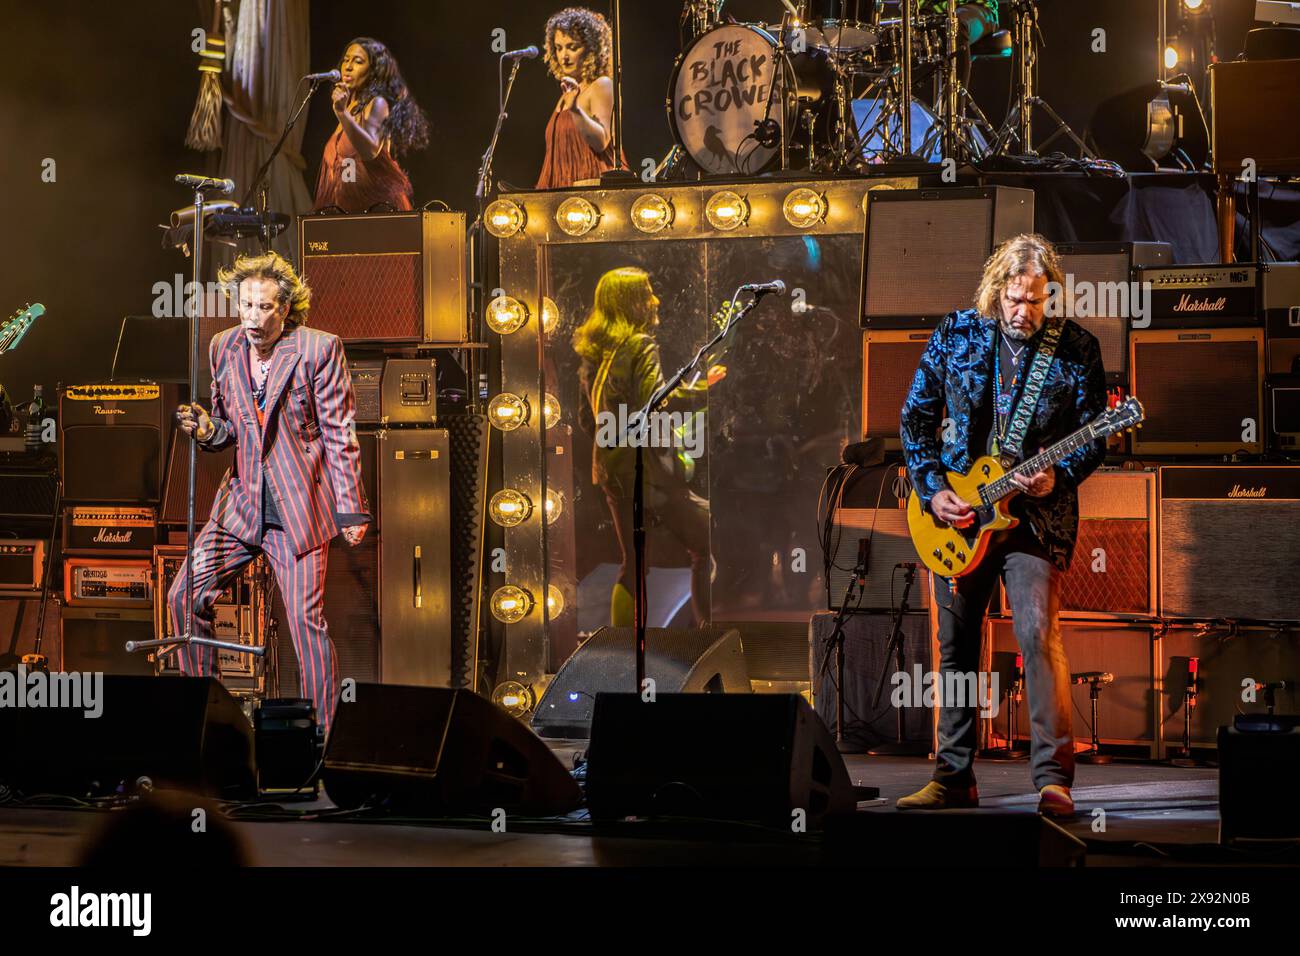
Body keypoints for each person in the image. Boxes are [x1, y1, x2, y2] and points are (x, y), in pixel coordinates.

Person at [896, 234, 1107, 818]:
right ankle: (952, 776)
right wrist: (933, 489)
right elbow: (915, 417)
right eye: (1015, 300)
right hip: (960, 515)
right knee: (956, 647)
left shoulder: (1077, 349)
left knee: (1039, 636)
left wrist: (1056, 475)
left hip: (1035, 519)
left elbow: (1097, 434)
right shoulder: (956, 333)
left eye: (1036, 302)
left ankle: (1052, 780)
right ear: (996, 290)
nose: (1024, 313)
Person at [171, 252, 370, 737]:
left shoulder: (319, 349)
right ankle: (210, 720)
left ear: (287, 309)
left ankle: (324, 735)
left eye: (264, 308)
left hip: (297, 510)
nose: (253, 318)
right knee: (183, 597)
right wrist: (203, 428)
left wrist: (350, 509)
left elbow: (340, 432)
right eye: (246, 306)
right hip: (239, 507)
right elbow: (225, 430)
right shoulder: (223, 347)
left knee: (305, 623)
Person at [573, 267, 724, 627]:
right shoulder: (640, 345)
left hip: (612, 470)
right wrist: (704, 389)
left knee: (634, 563)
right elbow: (654, 401)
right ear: (630, 302)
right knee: (703, 542)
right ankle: (707, 636)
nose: (655, 299)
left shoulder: (596, 354)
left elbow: (586, 420)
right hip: (649, 472)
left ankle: (625, 650)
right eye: (648, 293)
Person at [312, 37, 430, 213]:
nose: (348, 67)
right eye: (346, 60)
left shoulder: (377, 104)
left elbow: (370, 151)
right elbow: (345, 169)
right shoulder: (349, 107)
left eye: (358, 61)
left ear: (374, 71)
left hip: (374, 210)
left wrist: (342, 113)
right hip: (346, 210)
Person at [535, 7, 626, 189]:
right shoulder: (566, 96)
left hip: (591, 191)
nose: (564, 56)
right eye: (559, 48)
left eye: (572, 47)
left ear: (591, 49)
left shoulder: (601, 85)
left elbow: (600, 142)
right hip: (562, 190)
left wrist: (576, 110)